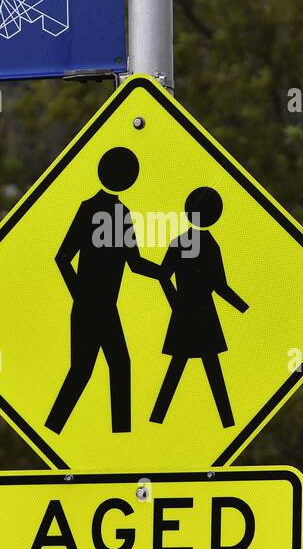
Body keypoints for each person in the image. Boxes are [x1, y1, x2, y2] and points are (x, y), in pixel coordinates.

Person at [45, 147, 163, 435]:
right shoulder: (92, 209)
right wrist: (80, 295)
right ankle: (55, 428)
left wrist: (162, 272)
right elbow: (62, 257)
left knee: (115, 366)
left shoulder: (121, 214)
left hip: (105, 308)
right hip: (90, 307)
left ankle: (118, 435)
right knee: (86, 370)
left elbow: (133, 263)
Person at [150, 186, 248, 427]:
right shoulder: (201, 244)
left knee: (199, 368)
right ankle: (158, 420)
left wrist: (244, 308)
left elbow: (216, 284)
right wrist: (175, 303)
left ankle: (225, 423)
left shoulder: (195, 243)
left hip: (196, 315)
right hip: (198, 314)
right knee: (190, 367)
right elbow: (218, 285)